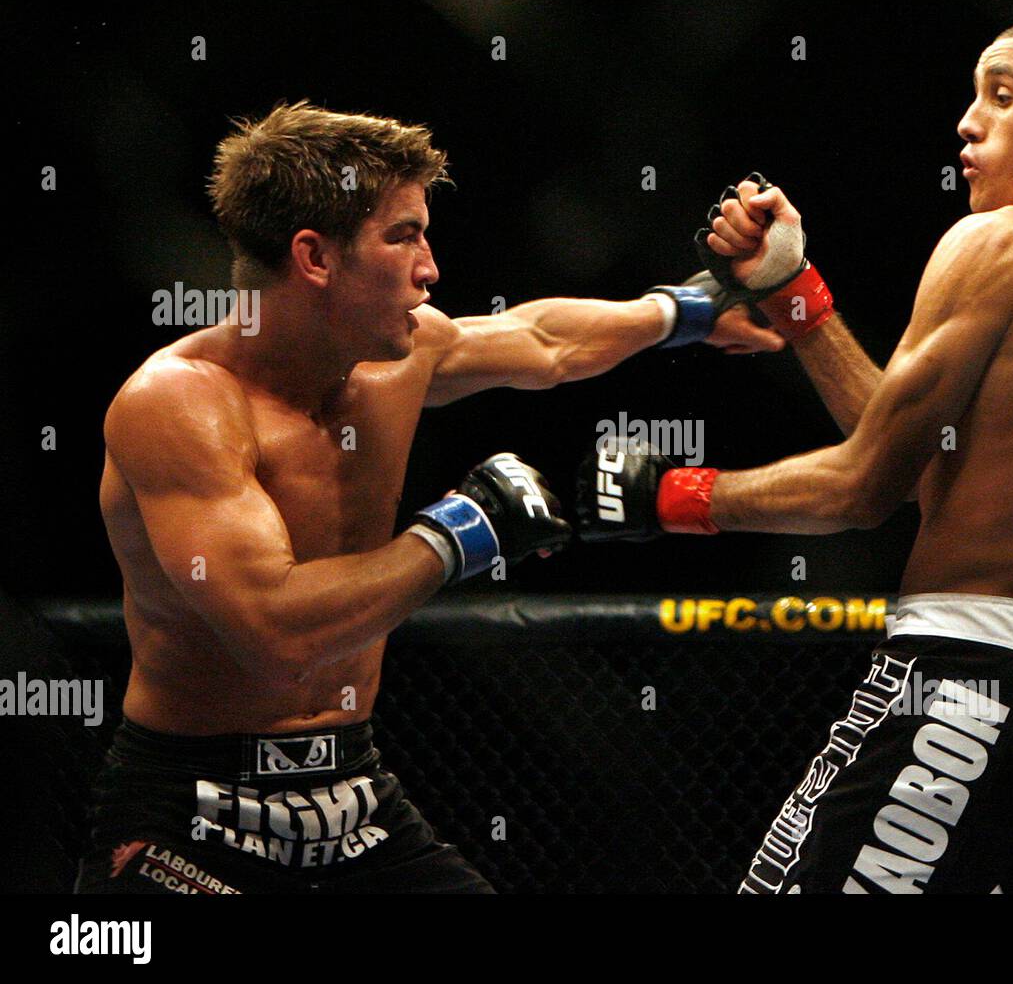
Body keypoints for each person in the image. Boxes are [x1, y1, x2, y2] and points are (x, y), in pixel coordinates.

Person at [76, 101, 782, 894]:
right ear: (315, 257)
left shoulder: (400, 359)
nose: (430, 266)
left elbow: (545, 341)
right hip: (193, 810)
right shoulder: (179, 405)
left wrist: (686, 310)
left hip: (355, 798)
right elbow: (272, 631)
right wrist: (456, 534)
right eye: (403, 234)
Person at [576, 20, 1013, 894]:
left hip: (968, 674)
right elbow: (921, 462)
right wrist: (796, 294)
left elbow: (865, 488)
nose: (967, 121)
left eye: (1003, 94)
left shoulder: (997, 243)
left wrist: (672, 494)